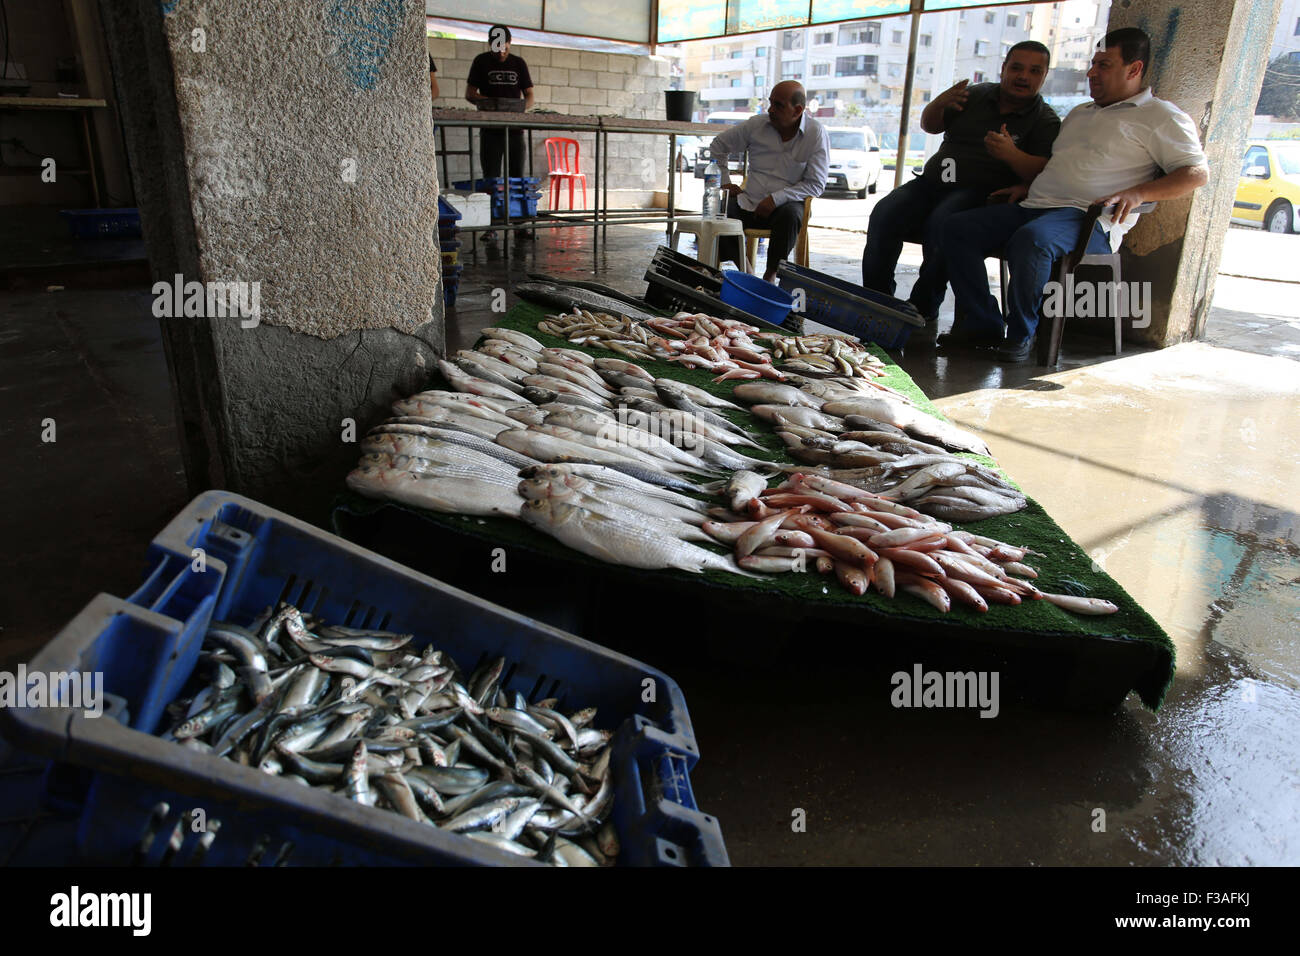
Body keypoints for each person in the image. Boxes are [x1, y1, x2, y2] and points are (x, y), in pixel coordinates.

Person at [939, 28, 1209, 362]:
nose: (1091, 72)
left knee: (1033, 240)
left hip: (1089, 219)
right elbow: (1062, 164)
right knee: (955, 228)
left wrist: (1139, 193)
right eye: (1093, 63)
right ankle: (983, 325)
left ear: (1134, 69)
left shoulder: (1161, 117)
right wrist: (1028, 186)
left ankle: (1021, 335)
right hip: (1035, 205)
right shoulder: (1081, 112)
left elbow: (1196, 173)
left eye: (1104, 65)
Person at [861, 41, 1059, 325]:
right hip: (931, 183)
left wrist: (1012, 155)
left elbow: (1044, 170)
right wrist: (938, 103)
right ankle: (878, 302)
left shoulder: (1045, 120)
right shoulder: (976, 95)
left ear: (1044, 76)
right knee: (884, 213)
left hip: (979, 193)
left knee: (943, 222)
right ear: (1003, 68)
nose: (1023, 76)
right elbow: (931, 125)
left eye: (1034, 71)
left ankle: (922, 307)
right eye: (1016, 67)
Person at [707, 80, 830, 282]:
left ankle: (769, 276)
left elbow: (816, 184)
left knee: (791, 215)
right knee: (721, 212)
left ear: (798, 110)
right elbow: (718, 146)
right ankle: (747, 271)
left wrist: (776, 199)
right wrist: (726, 181)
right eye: (770, 103)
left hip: (784, 206)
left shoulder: (815, 134)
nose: (771, 110)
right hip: (749, 200)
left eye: (778, 105)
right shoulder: (757, 125)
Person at [466, 25, 533, 182]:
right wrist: (491, 104)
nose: (502, 53)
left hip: (515, 130)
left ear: (510, 43)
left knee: (517, 178)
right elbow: (470, 94)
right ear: (490, 44)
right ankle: (494, 206)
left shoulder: (519, 63)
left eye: (505, 49)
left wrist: (520, 107)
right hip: (490, 130)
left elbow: (529, 95)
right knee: (491, 177)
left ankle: (515, 207)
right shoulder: (481, 61)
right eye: (498, 49)